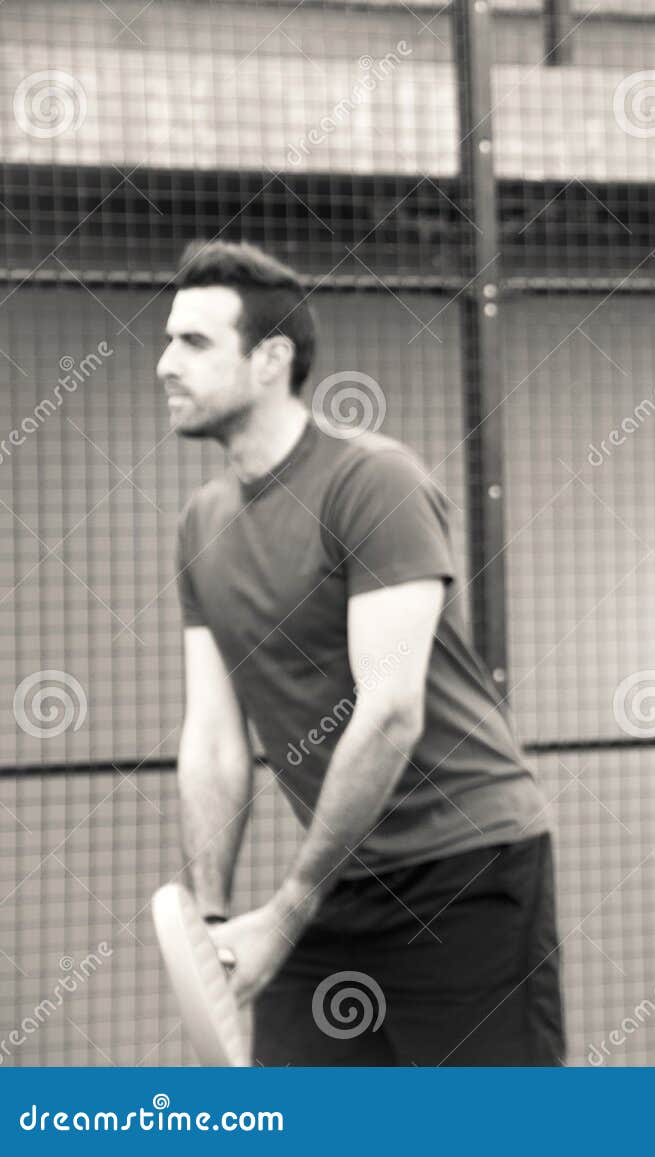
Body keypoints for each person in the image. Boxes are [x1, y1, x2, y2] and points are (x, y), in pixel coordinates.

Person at [164, 239, 563, 1065]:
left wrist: (285, 909)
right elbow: (212, 738)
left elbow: (389, 714)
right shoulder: (201, 524)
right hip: (337, 882)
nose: (165, 364)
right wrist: (211, 917)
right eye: (168, 340)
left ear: (271, 359)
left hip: (466, 872)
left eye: (194, 342)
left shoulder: (373, 481)